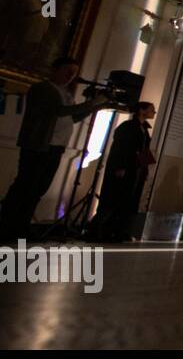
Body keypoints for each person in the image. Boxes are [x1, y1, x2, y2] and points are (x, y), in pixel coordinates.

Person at [0, 56, 107, 241]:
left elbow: (70, 118)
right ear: (55, 69)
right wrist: (92, 103)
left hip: (55, 147)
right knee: (26, 186)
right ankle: (8, 225)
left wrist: (95, 107)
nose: (71, 76)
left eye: (73, 73)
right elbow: (59, 111)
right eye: (67, 71)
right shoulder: (43, 89)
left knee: (39, 189)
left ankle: (22, 226)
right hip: (39, 145)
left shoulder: (65, 93)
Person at [87, 101, 156, 242]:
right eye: (151, 110)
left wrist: (145, 169)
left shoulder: (143, 129)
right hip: (125, 168)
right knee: (114, 198)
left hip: (135, 170)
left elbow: (143, 149)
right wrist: (120, 167)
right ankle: (100, 231)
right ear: (141, 111)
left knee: (127, 199)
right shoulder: (127, 127)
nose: (154, 113)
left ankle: (118, 231)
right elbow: (121, 148)